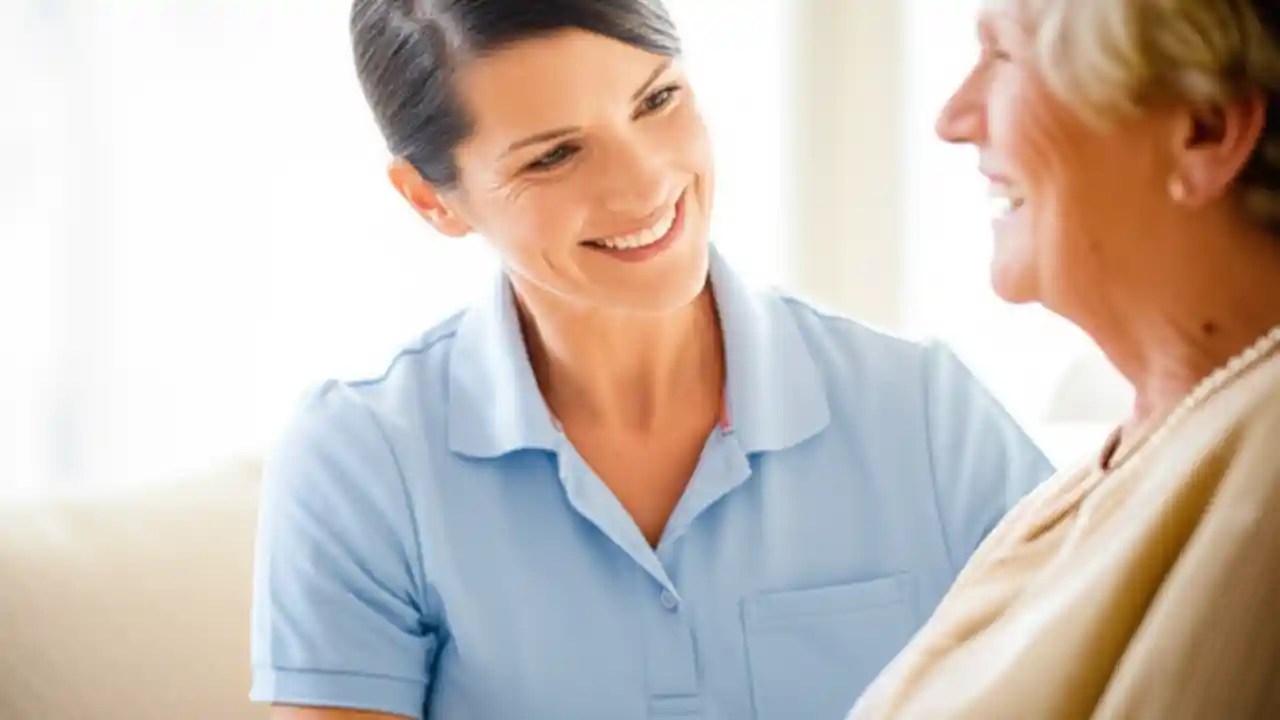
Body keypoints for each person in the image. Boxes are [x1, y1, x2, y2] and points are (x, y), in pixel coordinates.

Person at [249, 1, 1053, 718]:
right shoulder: (361, 459)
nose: (645, 185)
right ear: (432, 200)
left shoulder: (925, 414)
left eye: (657, 100)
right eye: (554, 156)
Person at [849, 0, 1280, 717]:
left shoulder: (1260, 456)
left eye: (1004, 55)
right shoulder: (1135, 452)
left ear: (1204, 130)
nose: (953, 117)